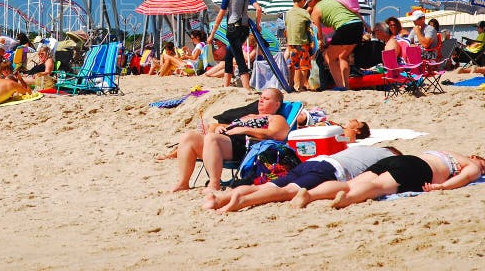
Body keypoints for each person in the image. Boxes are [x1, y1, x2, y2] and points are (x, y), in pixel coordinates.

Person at [203, 145, 398, 212]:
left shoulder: (364, 148)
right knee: (287, 192)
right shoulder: (388, 159)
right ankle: (242, 201)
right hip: (328, 171)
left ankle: (220, 199)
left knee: (270, 185)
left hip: (313, 162)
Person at [170, 88, 290, 192]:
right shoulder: (248, 116)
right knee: (189, 137)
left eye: (266, 98)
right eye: (261, 97)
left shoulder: (276, 118)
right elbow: (225, 127)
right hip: (223, 141)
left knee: (212, 139)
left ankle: (214, 183)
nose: (261, 100)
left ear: (277, 104)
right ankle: (183, 183)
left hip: (245, 147)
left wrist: (245, 130)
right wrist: (219, 128)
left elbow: (276, 134)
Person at [294, 151, 485, 209]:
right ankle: (347, 200)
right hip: (419, 169)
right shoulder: (474, 167)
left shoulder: (448, 153)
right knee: (377, 187)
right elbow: (465, 178)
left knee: (349, 183)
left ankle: (309, 194)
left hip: (402, 158)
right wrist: (441, 186)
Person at [208, 0, 263, 90]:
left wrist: (212, 34)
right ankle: (226, 86)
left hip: (233, 28)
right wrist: (258, 25)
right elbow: (259, 9)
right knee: (229, 54)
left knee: (238, 56)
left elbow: (220, 15)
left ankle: (247, 88)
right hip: (244, 28)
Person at [309, 0, 368, 90]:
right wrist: (365, 25)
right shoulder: (336, 0)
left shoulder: (316, 10)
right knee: (343, 56)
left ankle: (341, 87)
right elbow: (354, 11)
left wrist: (321, 43)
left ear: (312, 1)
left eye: (308, 3)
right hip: (358, 26)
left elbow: (317, 34)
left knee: (328, 57)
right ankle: (346, 86)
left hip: (344, 27)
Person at [285, 0, 314, 92]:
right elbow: (313, 22)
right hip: (302, 43)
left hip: (291, 44)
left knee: (293, 66)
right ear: (302, 1)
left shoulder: (288, 13)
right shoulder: (303, 12)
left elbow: (287, 28)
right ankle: (301, 87)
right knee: (304, 66)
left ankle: (291, 85)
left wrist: (288, 44)